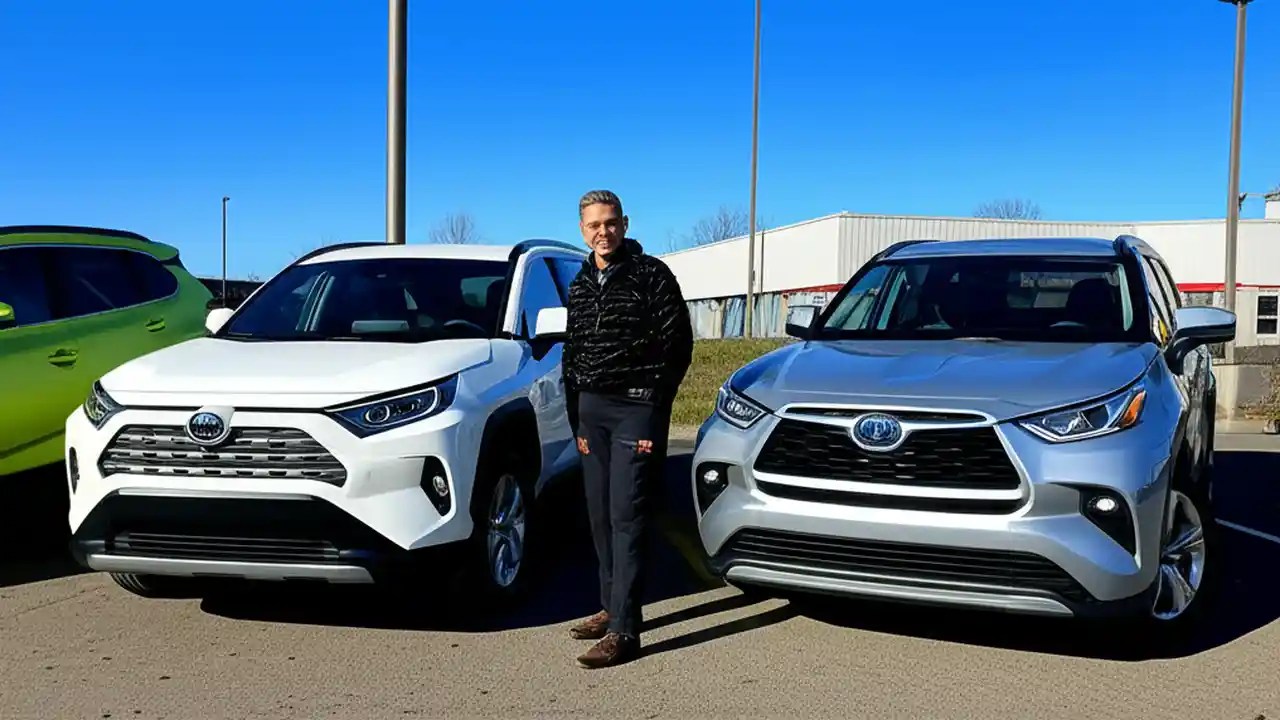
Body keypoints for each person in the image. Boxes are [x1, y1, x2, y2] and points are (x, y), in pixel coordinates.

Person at [561, 189, 693, 669]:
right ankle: (610, 606)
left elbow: (677, 344)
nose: (604, 232)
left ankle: (626, 630)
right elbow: (571, 351)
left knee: (627, 514)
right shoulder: (578, 284)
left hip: (636, 409)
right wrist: (576, 413)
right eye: (594, 225)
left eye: (611, 222)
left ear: (625, 223)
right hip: (591, 412)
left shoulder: (651, 276)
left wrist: (654, 405)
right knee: (598, 515)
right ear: (582, 230)